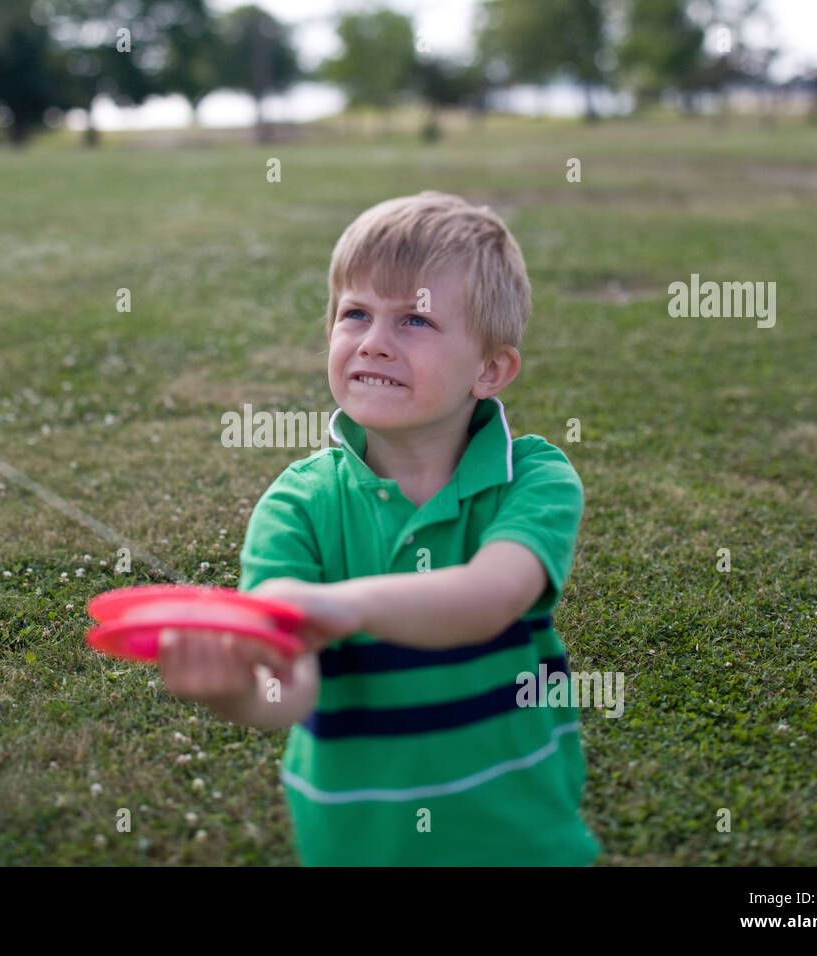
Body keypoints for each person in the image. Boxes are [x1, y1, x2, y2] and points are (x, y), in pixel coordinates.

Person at [159, 190, 601, 866]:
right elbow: (289, 690)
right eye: (355, 313)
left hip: (523, 837)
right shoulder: (297, 507)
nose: (373, 342)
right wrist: (233, 691)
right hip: (359, 846)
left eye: (415, 321)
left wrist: (344, 604)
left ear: (490, 369)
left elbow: (490, 597)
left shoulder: (533, 478)